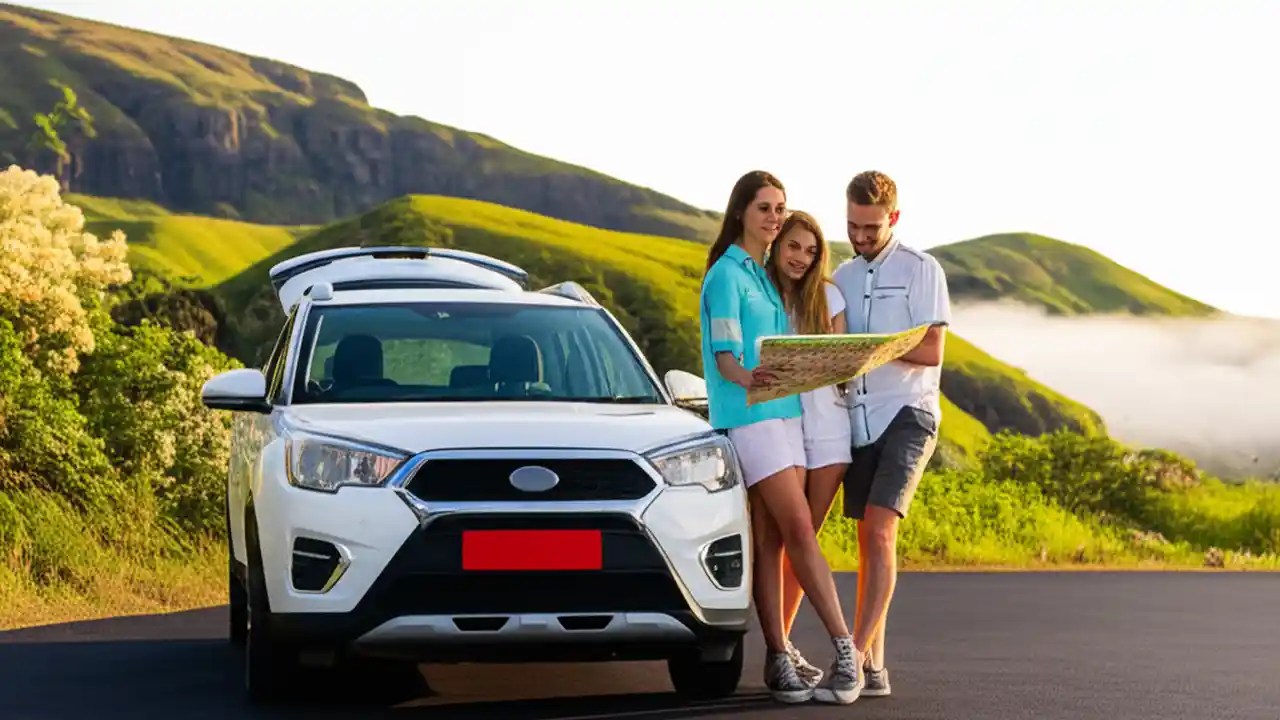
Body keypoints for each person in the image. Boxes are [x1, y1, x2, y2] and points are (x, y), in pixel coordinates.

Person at [699, 171, 862, 705]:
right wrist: (753, 378)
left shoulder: (764, 276)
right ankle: (846, 651)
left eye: (779, 209)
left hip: (787, 414)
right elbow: (726, 359)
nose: (772, 217)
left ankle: (778, 655)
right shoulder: (726, 273)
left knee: (772, 540)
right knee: (800, 530)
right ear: (741, 211)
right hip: (752, 417)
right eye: (764, 208)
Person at [829, 170, 952, 698]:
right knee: (864, 541)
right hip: (857, 418)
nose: (860, 236)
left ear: (894, 218)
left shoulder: (923, 270)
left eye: (871, 227)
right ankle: (876, 665)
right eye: (853, 226)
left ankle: (852, 659)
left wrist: (871, 350)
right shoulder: (841, 276)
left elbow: (932, 351)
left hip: (908, 414)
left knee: (881, 530)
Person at [761, 210, 853, 688]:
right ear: (778, 246)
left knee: (805, 541)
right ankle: (783, 649)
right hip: (788, 430)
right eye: (794, 246)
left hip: (830, 431)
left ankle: (788, 645)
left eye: (811, 250)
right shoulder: (766, 295)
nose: (801, 257)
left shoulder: (828, 294)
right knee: (786, 541)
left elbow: (838, 364)